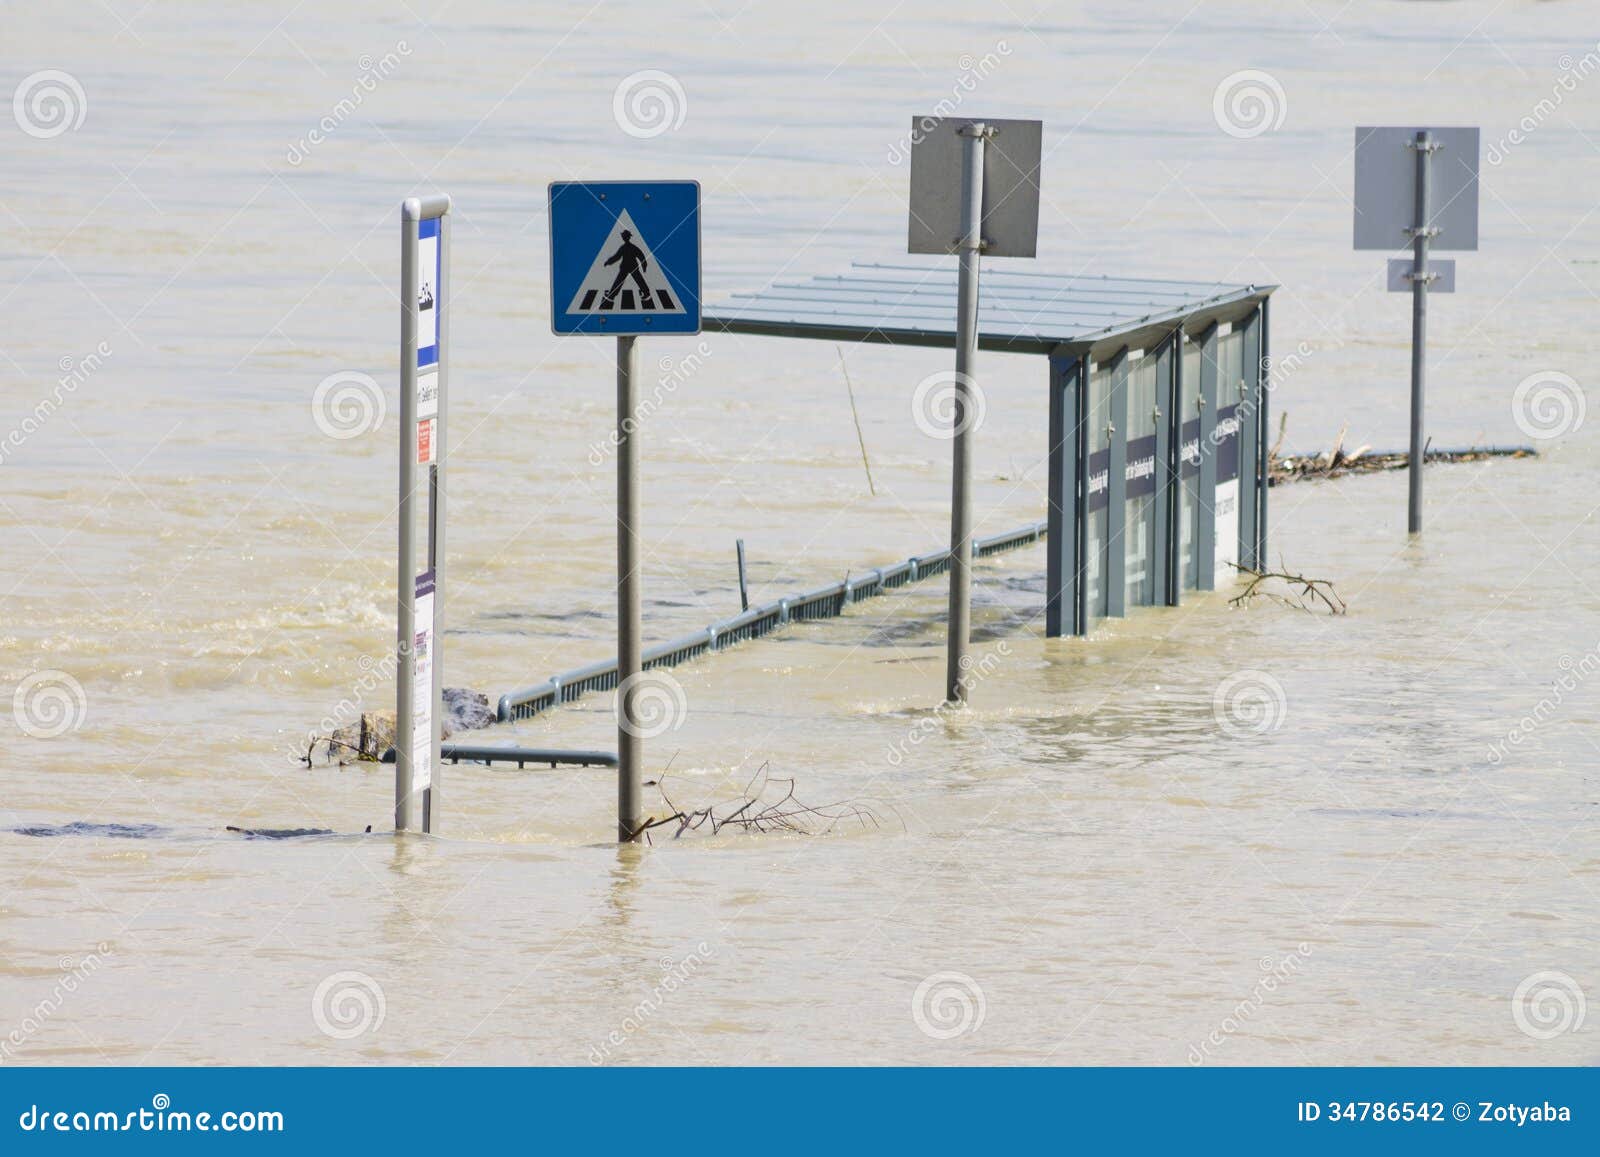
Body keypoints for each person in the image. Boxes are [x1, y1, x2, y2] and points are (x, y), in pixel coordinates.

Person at [600, 229, 653, 308]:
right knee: (639, 280)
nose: (622, 237)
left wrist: (608, 262)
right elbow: (641, 257)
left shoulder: (623, 247)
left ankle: (611, 296)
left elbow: (616, 257)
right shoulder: (633, 247)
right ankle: (646, 293)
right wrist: (644, 266)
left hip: (625, 267)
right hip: (633, 266)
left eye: (623, 236)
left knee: (619, 281)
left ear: (624, 238)